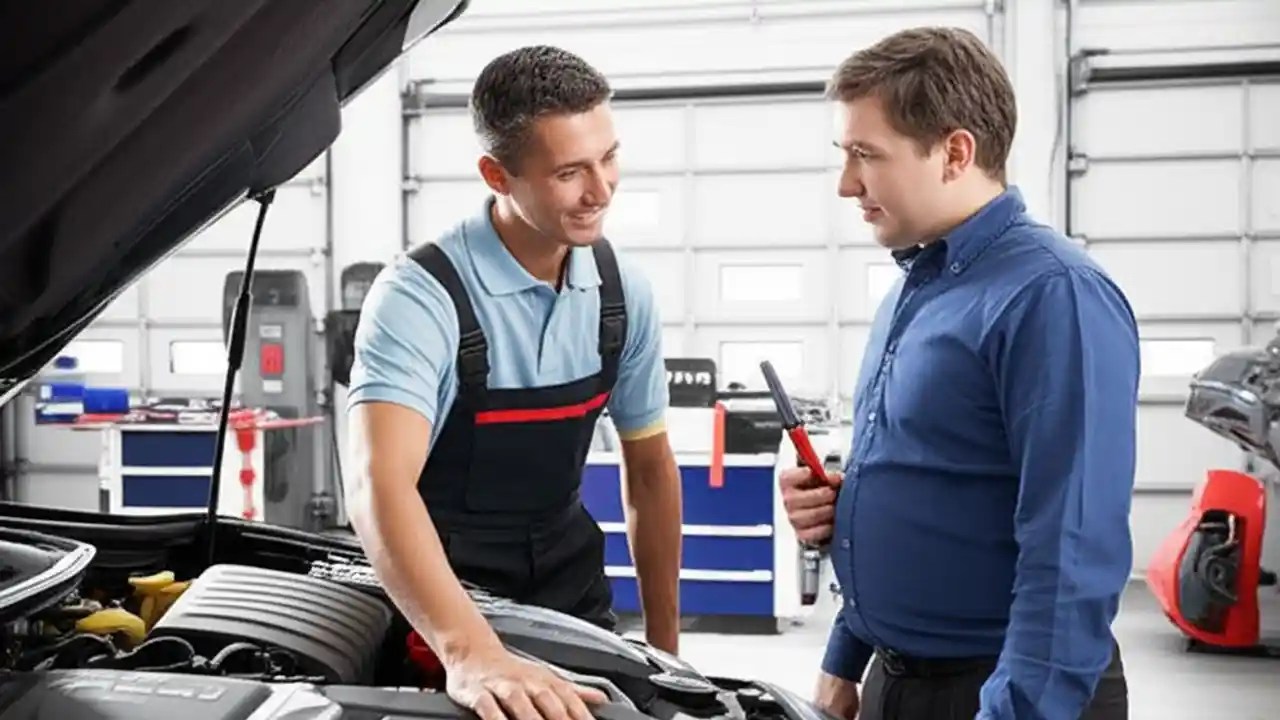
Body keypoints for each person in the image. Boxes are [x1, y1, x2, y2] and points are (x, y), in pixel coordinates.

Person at [780, 27, 1139, 720]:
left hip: (1001, 691)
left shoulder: (1052, 296)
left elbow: (1070, 551)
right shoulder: (919, 287)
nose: (847, 183)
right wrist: (842, 657)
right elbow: (932, 475)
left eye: (865, 155)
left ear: (955, 152)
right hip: (895, 683)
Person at [345, 45, 683, 720]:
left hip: (572, 591)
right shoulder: (420, 296)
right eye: (569, 172)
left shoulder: (621, 293)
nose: (602, 190)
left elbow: (648, 470)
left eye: (608, 158)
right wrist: (468, 651)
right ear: (497, 174)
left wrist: (668, 654)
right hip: (440, 605)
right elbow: (378, 484)